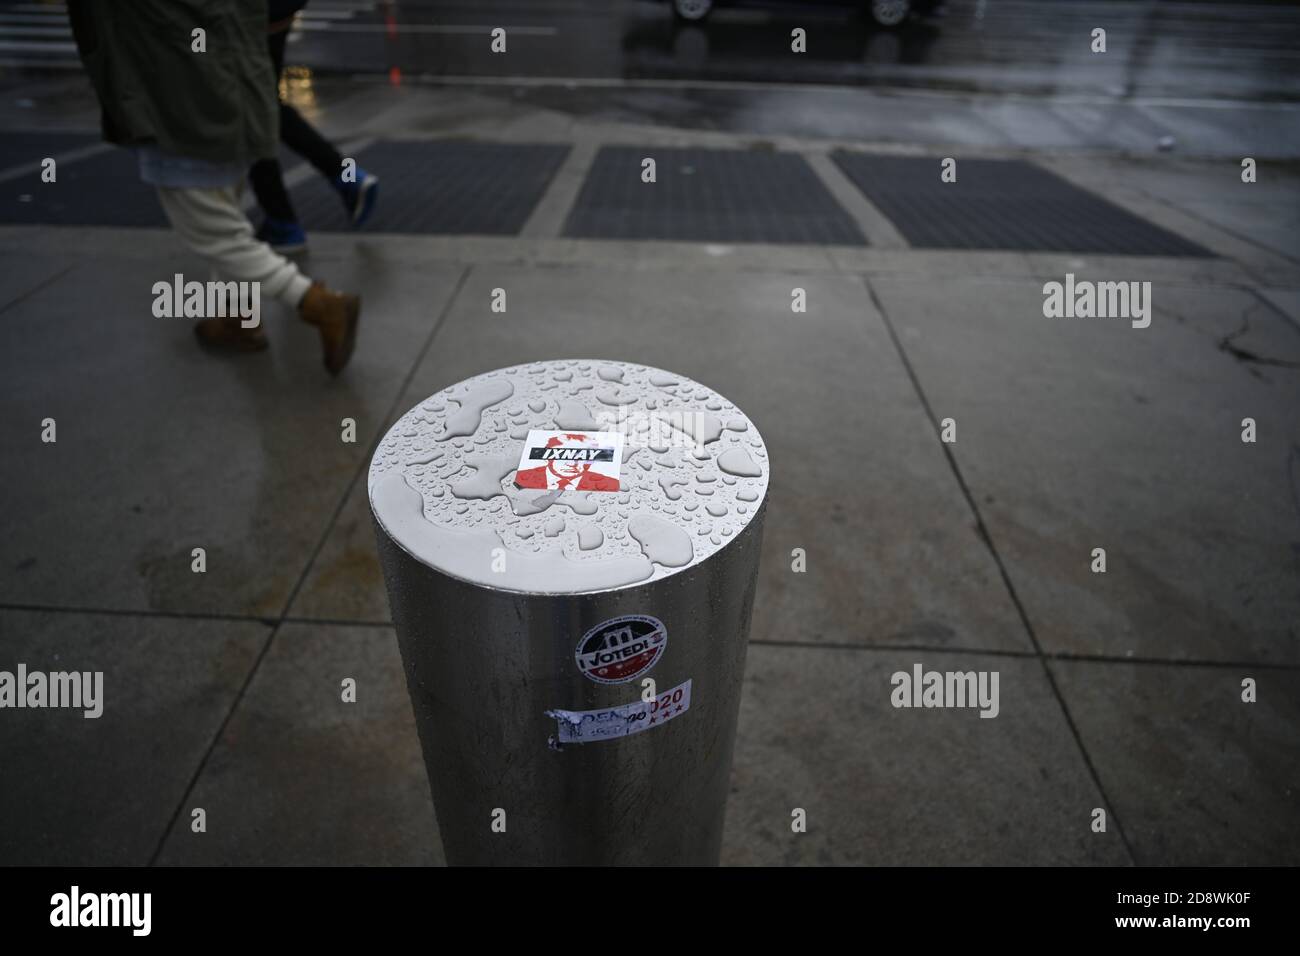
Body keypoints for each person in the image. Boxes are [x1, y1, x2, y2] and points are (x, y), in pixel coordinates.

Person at [67, 0, 360, 375]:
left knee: (217, 234)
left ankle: (319, 304)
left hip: (184, 106)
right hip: (233, 93)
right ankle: (239, 318)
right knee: (226, 218)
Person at [250, 0, 379, 253]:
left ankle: (282, 221)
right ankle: (345, 177)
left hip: (251, 18)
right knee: (263, 105)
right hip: (276, 14)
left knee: (253, 114)